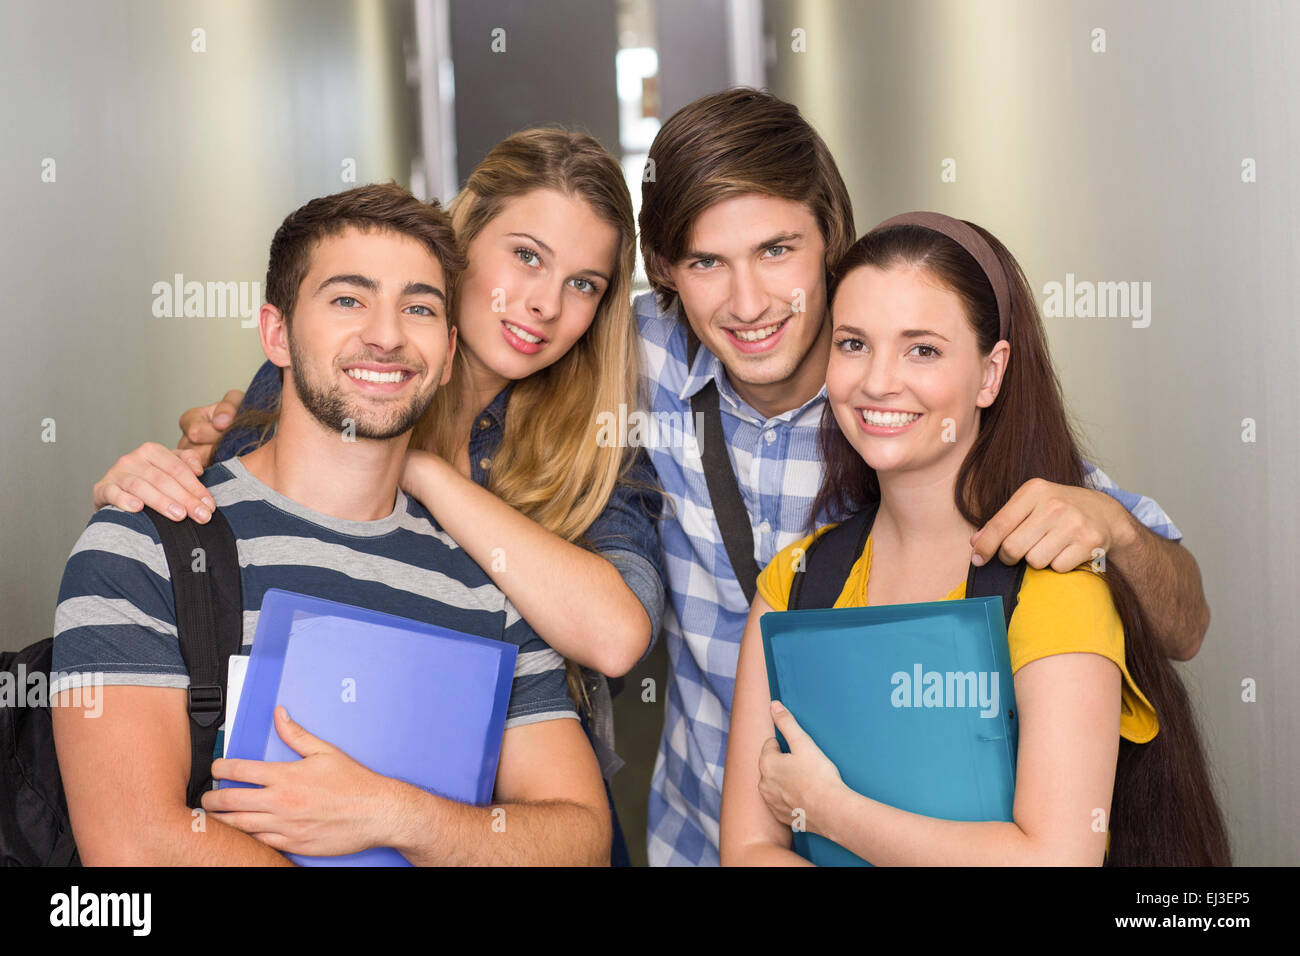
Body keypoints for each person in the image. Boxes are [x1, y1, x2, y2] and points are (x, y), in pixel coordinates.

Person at [632, 89, 1211, 865]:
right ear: (667, 272)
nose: (748, 302)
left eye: (776, 251)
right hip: (690, 825)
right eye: (707, 261)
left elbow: (1183, 625)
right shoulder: (633, 361)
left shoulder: (1036, 551)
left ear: (828, 240)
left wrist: (1112, 531)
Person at [88, 129, 665, 866]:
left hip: (509, 798)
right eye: (527, 256)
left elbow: (615, 638)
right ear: (465, 241)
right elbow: (230, 562)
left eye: (585, 284)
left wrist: (417, 470)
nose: (545, 304)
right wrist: (138, 496)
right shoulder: (341, 364)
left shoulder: (598, 442)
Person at [719, 212, 1231, 866]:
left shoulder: (1055, 582)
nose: (878, 381)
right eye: (853, 344)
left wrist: (833, 811)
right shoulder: (795, 582)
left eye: (922, 349)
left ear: (991, 375)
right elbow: (748, 850)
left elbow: (1054, 858)